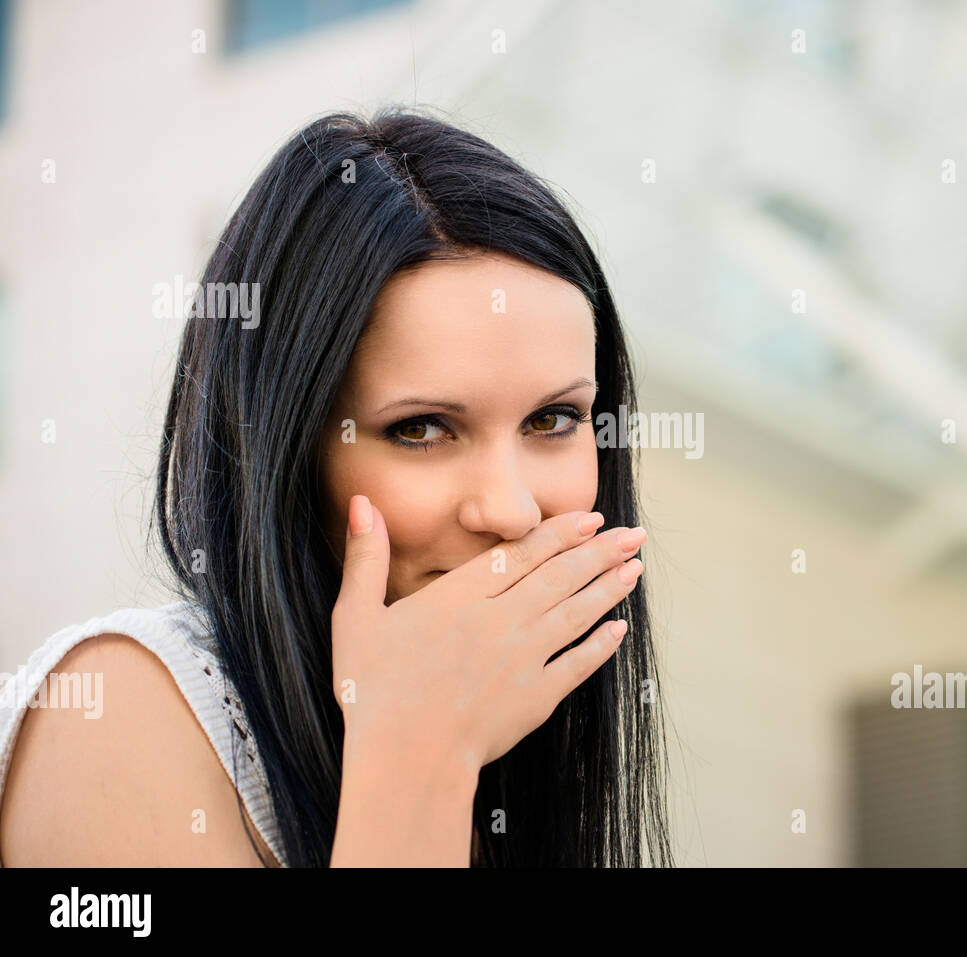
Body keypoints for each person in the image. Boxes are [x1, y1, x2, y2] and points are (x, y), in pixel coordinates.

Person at [0, 107, 675, 868]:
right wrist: (423, 748)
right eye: (422, 429)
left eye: (554, 418)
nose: (513, 510)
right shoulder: (120, 710)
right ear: (289, 451)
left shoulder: (518, 775)